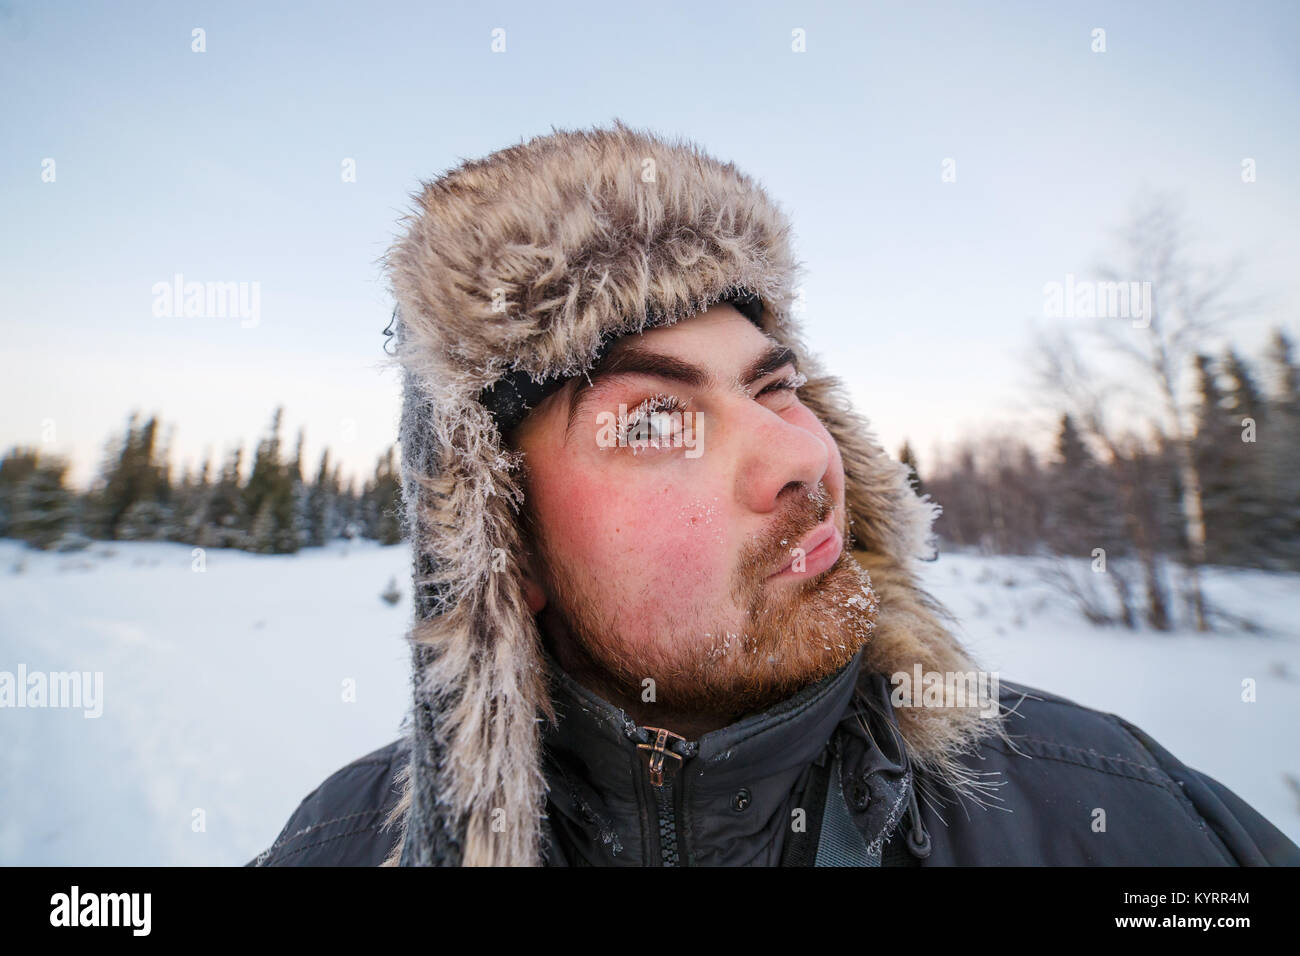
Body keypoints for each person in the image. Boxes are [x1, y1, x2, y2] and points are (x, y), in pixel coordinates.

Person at [248, 121, 1299, 867]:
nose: (798, 458)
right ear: (503, 550)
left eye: (776, 387)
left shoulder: (1111, 805)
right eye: (653, 420)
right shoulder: (340, 845)